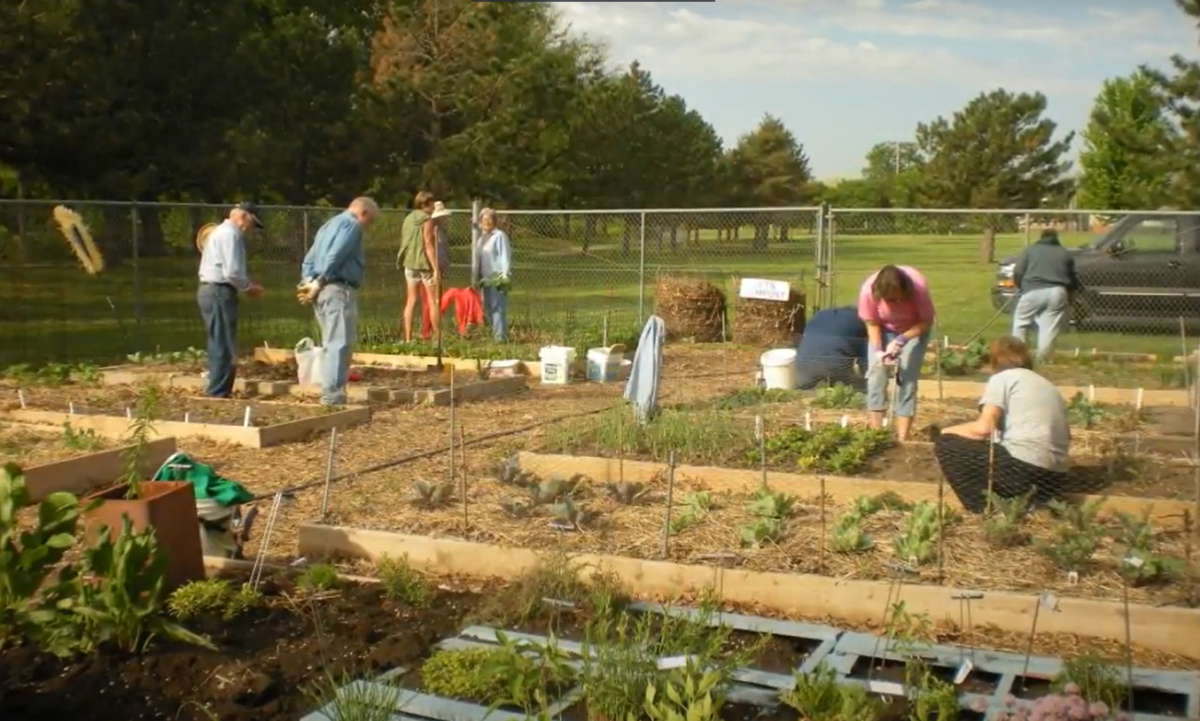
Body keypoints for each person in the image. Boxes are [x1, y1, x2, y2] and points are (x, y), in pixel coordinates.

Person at [934, 336, 1070, 513]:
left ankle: (984, 510)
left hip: (1023, 471)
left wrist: (944, 432)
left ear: (994, 360)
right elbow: (1067, 436)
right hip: (1053, 480)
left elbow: (984, 429)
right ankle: (1030, 504)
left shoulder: (1002, 379)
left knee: (947, 445)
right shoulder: (1048, 386)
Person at [298, 197, 379, 406]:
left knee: (329, 342)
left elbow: (309, 258)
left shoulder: (328, 225)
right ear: (364, 213)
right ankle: (332, 397)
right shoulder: (352, 225)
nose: (367, 228)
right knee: (339, 343)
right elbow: (336, 255)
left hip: (321, 290)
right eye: (369, 222)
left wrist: (309, 281)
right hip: (337, 288)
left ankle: (330, 393)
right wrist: (322, 278)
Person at [857, 264, 935, 441]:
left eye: (898, 300)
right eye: (890, 301)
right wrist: (878, 352)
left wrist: (901, 340)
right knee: (876, 375)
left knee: (906, 378)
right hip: (883, 329)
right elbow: (872, 323)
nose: (895, 304)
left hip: (914, 329)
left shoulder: (918, 288)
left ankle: (902, 439)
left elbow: (926, 322)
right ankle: (876, 435)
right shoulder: (868, 292)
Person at [196, 202, 265, 398]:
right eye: (252, 224)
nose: (250, 230)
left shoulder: (221, 232)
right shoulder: (230, 234)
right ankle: (218, 393)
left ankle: (218, 389)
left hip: (212, 291)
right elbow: (232, 272)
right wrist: (248, 288)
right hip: (219, 291)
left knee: (218, 340)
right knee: (223, 344)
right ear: (243, 217)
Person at [1012, 228, 1080, 363]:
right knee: (1048, 328)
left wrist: (1020, 286)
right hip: (1058, 292)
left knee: (1021, 323)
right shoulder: (1064, 253)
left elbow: (1018, 271)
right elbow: (1072, 278)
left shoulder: (1030, 250)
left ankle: (1018, 357)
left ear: (1041, 237)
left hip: (1033, 290)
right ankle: (1043, 359)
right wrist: (1071, 294)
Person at [398, 192, 442, 343]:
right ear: (424, 205)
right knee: (433, 301)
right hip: (424, 264)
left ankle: (408, 339)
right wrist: (435, 268)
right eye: (431, 204)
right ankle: (437, 338)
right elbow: (428, 245)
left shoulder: (408, 219)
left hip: (409, 263)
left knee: (411, 301)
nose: (433, 207)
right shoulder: (427, 220)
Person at [795, 306, 868, 391]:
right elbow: (864, 358)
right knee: (860, 388)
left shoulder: (819, 315)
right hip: (837, 367)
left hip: (804, 365)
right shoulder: (861, 321)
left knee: (804, 389)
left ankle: (805, 388)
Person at [474, 207, 512, 341]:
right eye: (484, 219)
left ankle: (500, 339)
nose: (487, 222)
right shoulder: (481, 239)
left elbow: (505, 256)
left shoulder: (499, 236)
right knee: (488, 308)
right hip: (485, 279)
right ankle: (496, 335)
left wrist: (505, 276)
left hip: (497, 278)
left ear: (494, 221)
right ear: (480, 222)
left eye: (490, 219)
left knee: (498, 308)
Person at [419, 201, 453, 340]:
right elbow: (433, 249)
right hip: (434, 268)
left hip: (439, 267)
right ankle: (436, 334)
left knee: (434, 301)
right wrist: (436, 269)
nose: (446, 218)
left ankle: (431, 331)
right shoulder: (435, 230)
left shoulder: (440, 229)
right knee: (434, 302)